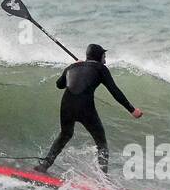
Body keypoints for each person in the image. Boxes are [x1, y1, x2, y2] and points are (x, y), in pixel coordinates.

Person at [34, 43, 142, 174]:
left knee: (65, 134)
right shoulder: (101, 68)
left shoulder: (72, 67)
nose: (105, 60)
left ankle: (45, 165)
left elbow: (59, 85)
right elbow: (114, 91)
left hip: (67, 105)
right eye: (104, 56)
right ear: (99, 56)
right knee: (101, 143)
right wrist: (132, 110)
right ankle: (104, 179)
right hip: (85, 107)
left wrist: (75, 67)